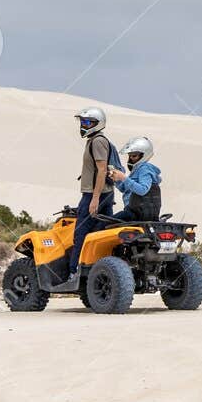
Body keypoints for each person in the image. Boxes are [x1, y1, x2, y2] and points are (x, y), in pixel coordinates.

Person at [67, 106, 117, 276]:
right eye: (82, 122)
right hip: (103, 194)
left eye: (87, 122)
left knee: (80, 232)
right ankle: (95, 271)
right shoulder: (95, 140)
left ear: (97, 123)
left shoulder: (98, 141)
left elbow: (102, 170)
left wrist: (95, 199)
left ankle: (74, 272)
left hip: (96, 195)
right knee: (99, 233)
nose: (83, 125)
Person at [109, 136, 163, 222]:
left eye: (134, 156)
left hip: (135, 213)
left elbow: (143, 190)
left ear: (143, 155)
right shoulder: (137, 170)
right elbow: (124, 188)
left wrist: (123, 177)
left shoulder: (144, 169)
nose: (130, 160)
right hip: (132, 211)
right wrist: (116, 179)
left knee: (103, 224)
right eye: (129, 156)